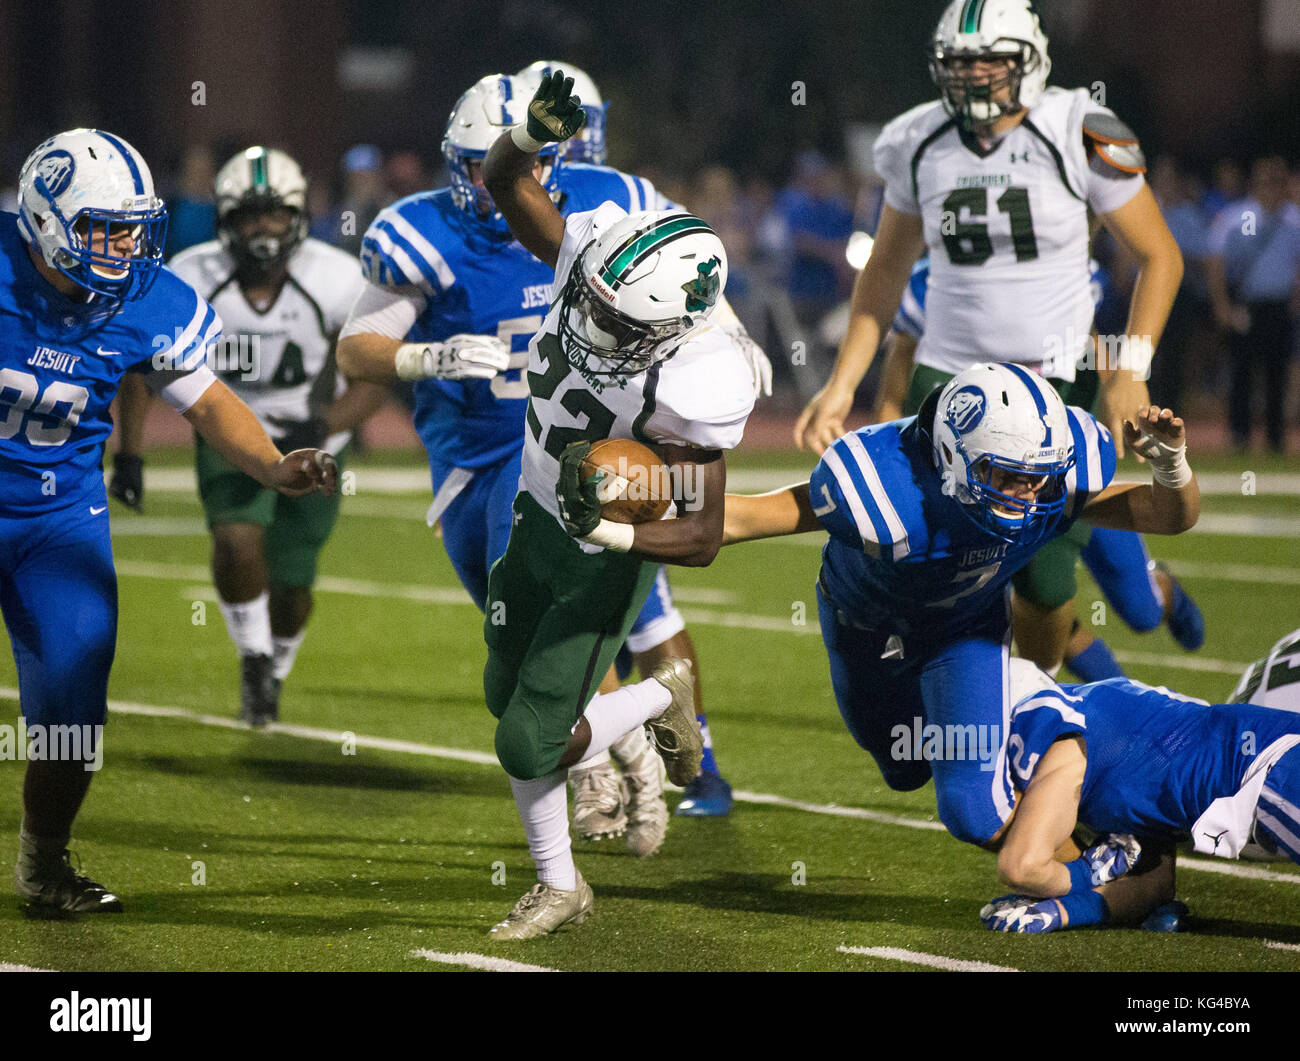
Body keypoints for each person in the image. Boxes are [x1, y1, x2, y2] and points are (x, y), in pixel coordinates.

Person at [337, 71, 762, 855]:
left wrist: (731, 341)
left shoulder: (610, 215)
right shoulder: (485, 235)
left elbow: (691, 279)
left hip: (597, 455)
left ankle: (648, 767)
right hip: (482, 451)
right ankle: (621, 734)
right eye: (466, 165)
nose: (477, 181)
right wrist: (428, 356)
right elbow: (357, 349)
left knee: (624, 618)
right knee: (513, 655)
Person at [793, 0, 1185, 678]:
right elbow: (885, 270)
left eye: (989, 60)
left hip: (1058, 382)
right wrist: (840, 382)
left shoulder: (1078, 127)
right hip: (944, 382)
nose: (973, 76)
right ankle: (958, 700)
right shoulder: (918, 139)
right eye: (959, 62)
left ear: (1029, 61)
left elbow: (1161, 256)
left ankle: (1025, 699)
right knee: (926, 549)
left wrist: (1130, 368)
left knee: (1045, 586)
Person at [3, 129, 335, 914]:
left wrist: (273, 463)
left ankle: (44, 865)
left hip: (56, 523)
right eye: (102, 229)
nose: (122, 247)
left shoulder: (146, 297)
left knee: (74, 712)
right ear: (47, 219)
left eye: (131, 228)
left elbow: (210, 401)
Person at [475, 71, 755, 938]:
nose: (593, 320)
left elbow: (702, 534)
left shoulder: (702, 375)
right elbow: (503, 184)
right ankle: (645, 707)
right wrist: (525, 138)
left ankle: (562, 884)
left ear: (676, 326)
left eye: (618, 319)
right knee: (501, 687)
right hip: (531, 509)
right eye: (592, 300)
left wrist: (602, 519)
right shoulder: (596, 253)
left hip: (602, 555)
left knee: (525, 738)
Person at [724, 361, 1199, 849]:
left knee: (972, 812)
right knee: (903, 767)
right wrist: (659, 513)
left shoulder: (1055, 480)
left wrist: (1171, 464)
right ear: (952, 456)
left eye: (1040, 475)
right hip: (864, 628)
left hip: (966, 628)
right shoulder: (887, 488)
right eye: (1010, 474)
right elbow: (747, 518)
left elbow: (1169, 515)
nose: (1029, 492)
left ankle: (1118, 870)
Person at [876, 254, 1203, 681]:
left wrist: (1119, 392)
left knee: (1139, 611)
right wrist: (887, 444)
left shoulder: (1056, 262)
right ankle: (1109, 705)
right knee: (1037, 589)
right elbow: (900, 363)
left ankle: (1163, 592)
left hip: (1059, 462)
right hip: (991, 469)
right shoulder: (932, 279)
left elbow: (1087, 343)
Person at [158, 147, 382, 725]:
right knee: (235, 541)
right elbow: (146, 362)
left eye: (274, 213)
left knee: (291, 585)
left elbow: (372, 378)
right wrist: (130, 450)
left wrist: (324, 424)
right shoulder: (191, 274)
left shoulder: (334, 276)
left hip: (314, 441)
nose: (263, 227)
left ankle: (275, 666)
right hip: (229, 433)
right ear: (226, 220)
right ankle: (254, 658)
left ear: (298, 215)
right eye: (250, 214)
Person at [980, 658, 1300, 933]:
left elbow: (1021, 867)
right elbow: (1154, 885)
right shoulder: (1107, 736)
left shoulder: (1065, 742)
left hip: (1268, 767)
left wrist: (1085, 871)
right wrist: (1062, 912)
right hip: (1264, 768)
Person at [1205, 156, 1300, 454]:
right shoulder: (1237, 217)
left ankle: (1274, 438)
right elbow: (1215, 259)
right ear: (1255, 185)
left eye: (1276, 181)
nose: (1271, 188)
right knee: (1242, 373)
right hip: (1246, 305)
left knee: (1276, 374)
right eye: (1265, 182)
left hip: (1279, 306)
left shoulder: (1294, 219)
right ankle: (1240, 436)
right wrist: (1222, 305)